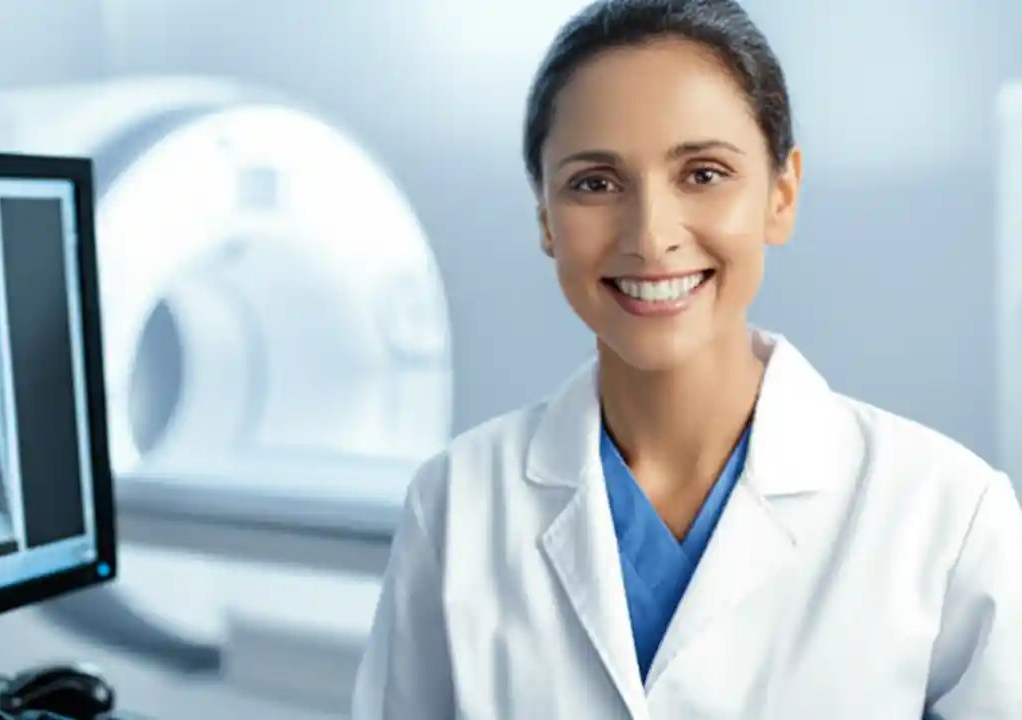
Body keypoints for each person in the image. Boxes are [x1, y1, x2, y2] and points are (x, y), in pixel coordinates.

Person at [351, 0, 1022, 718]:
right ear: (546, 218)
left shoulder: (946, 515)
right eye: (595, 183)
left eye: (702, 174)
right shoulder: (456, 505)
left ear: (782, 194)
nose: (651, 235)